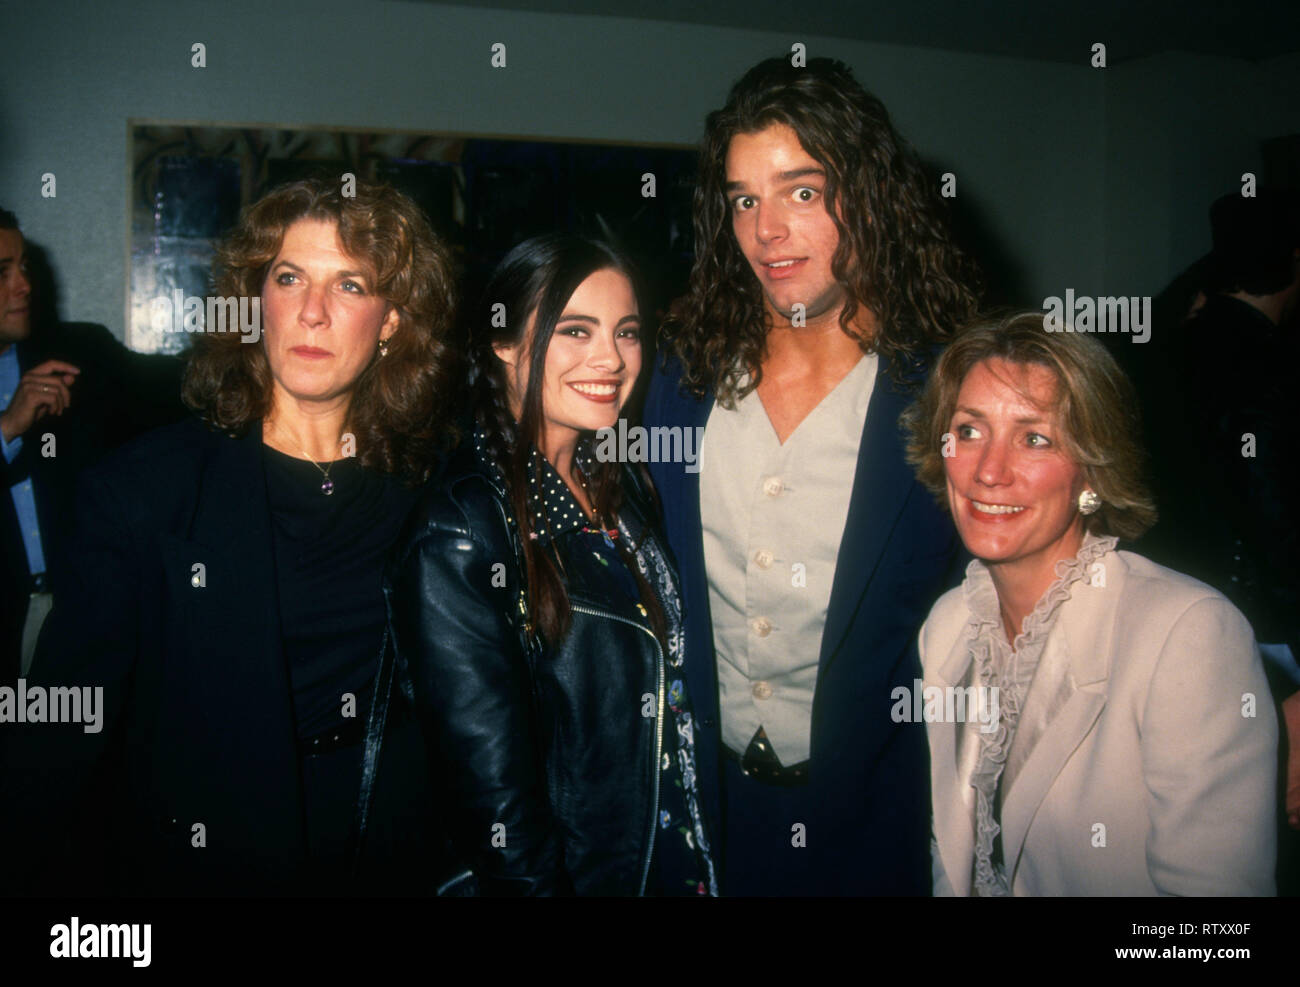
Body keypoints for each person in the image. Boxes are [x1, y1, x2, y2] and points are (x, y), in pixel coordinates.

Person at [0, 177, 459, 894]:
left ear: (393, 319)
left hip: (388, 852)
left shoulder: (432, 493)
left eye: (348, 285)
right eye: (289, 277)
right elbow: (58, 736)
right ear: (256, 301)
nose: (311, 312)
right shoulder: (146, 492)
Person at [643, 55, 980, 894]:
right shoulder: (677, 382)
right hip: (705, 818)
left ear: (867, 196)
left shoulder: (949, 388)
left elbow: (1048, 568)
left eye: (801, 191)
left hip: (877, 824)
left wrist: (1250, 687)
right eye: (744, 200)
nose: (766, 230)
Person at [374, 233, 718, 896]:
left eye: (627, 332)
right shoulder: (464, 527)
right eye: (576, 331)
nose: (611, 360)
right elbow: (499, 814)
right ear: (501, 342)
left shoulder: (624, 486)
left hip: (673, 864)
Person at [905, 313, 1277, 895]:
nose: (989, 471)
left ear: (1091, 473)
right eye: (970, 430)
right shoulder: (949, 626)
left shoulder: (1186, 634)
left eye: (1034, 439)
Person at [0, 208, 185, 681]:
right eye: (3, 272)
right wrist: (5, 429)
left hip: (80, 620)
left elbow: (174, 388)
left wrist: (255, 342)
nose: (24, 285)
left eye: (23, 266)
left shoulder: (78, 353)